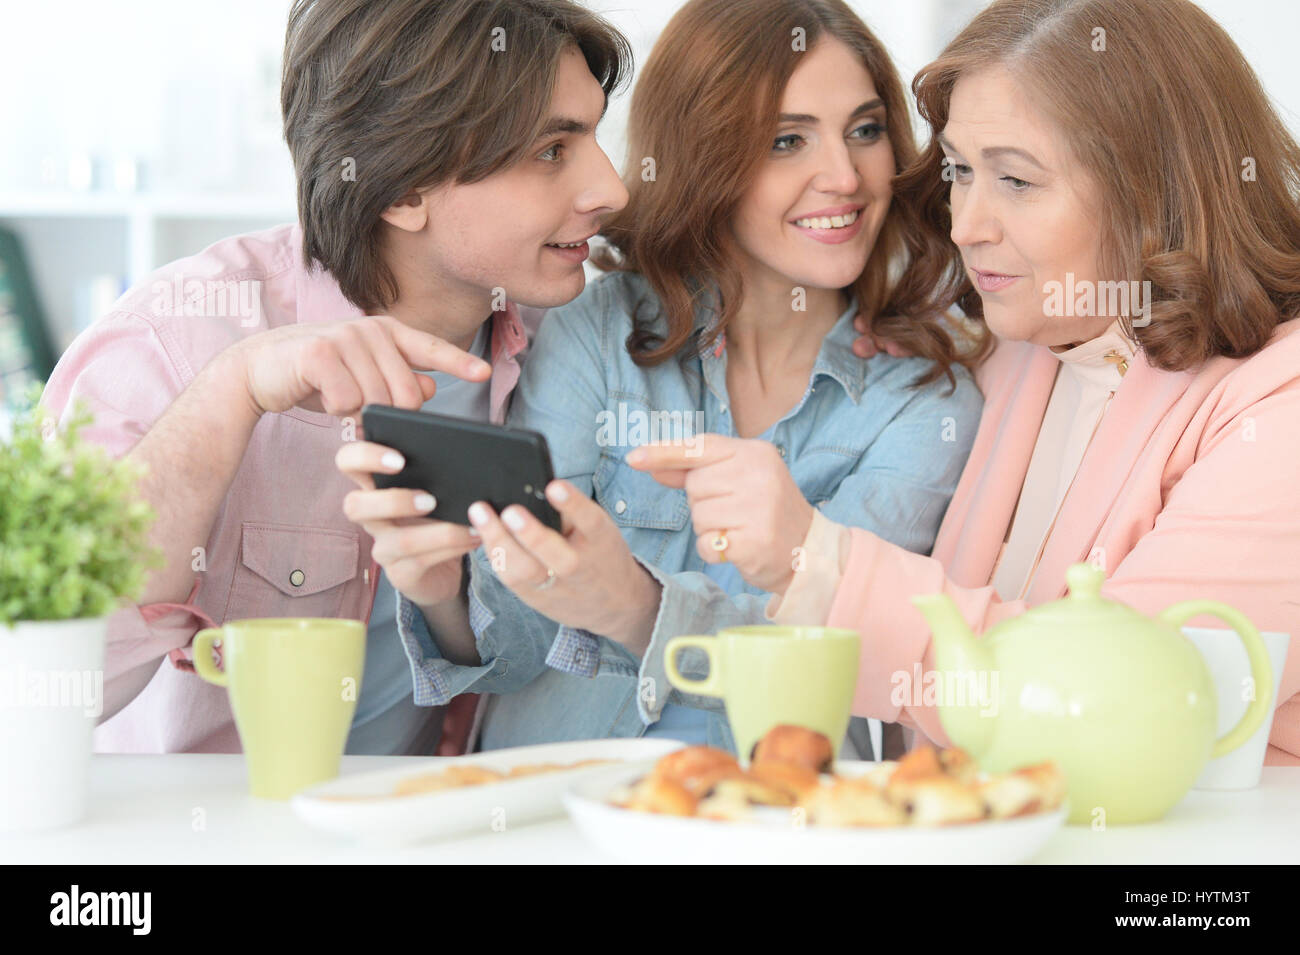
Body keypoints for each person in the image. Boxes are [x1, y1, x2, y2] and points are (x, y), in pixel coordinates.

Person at [630, 0, 1300, 765]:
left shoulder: (1279, 410)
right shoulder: (1017, 351)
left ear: (1157, 190)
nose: (967, 224)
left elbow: (1109, 716)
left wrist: (816, 558)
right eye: (959, 172)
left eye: (1016, 179)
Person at [341, 0, 985, 755]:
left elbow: (831, 667)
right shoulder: (601, 331)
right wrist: (440, 591)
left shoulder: (923, 400)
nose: (843, 176)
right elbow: (512, 653)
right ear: (705, 154)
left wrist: (639, 608)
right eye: (787, 141)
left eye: (866, 130)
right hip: (555, 812)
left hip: (774, 817)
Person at [38, 0, 631, 754]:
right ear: (401, 190)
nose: (610, 188)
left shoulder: (569, 353)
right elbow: (44, 686)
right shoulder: (173, 340)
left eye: (594, 136)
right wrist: (235, 392)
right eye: (553, 150)